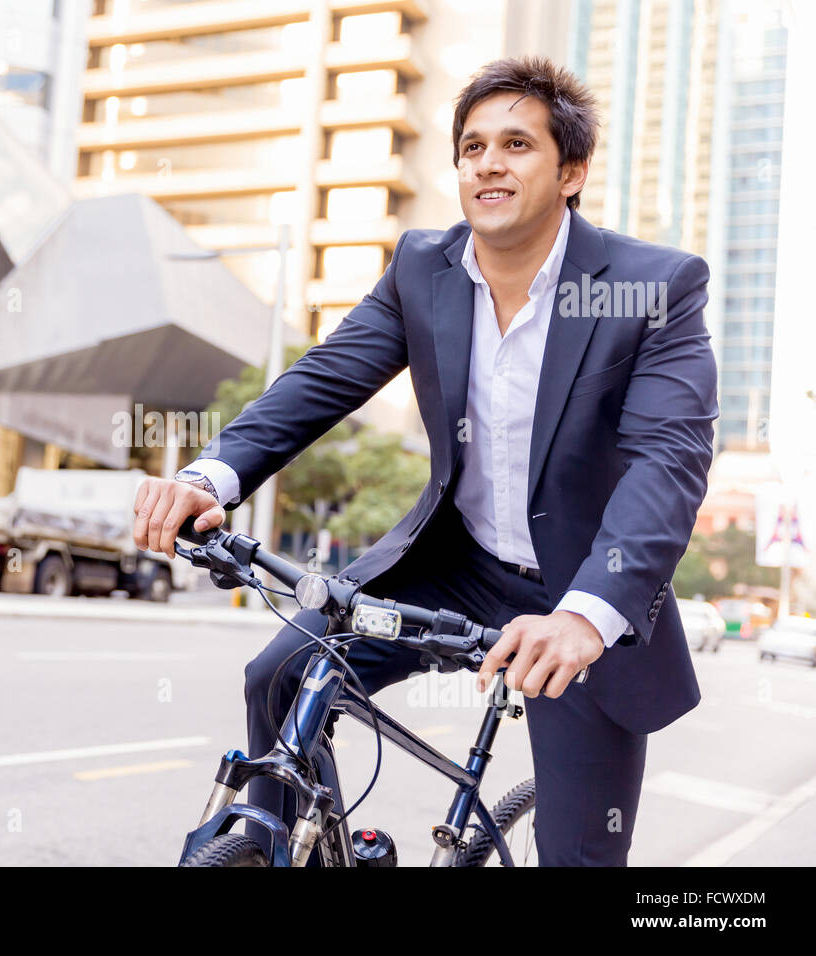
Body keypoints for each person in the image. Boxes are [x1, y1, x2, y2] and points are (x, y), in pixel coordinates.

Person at [133, 56, 718, 866]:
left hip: (580, 588)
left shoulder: (652, 288)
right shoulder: (422, 268)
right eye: (472, 146)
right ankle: (281, 849)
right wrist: (207, 478)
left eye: (517, 144)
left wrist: (587, 616)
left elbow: (669, 460)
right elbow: (323, 379)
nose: (488, 162)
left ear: (572, 171)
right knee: (279, 675)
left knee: (582, 852)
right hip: (457, 564)